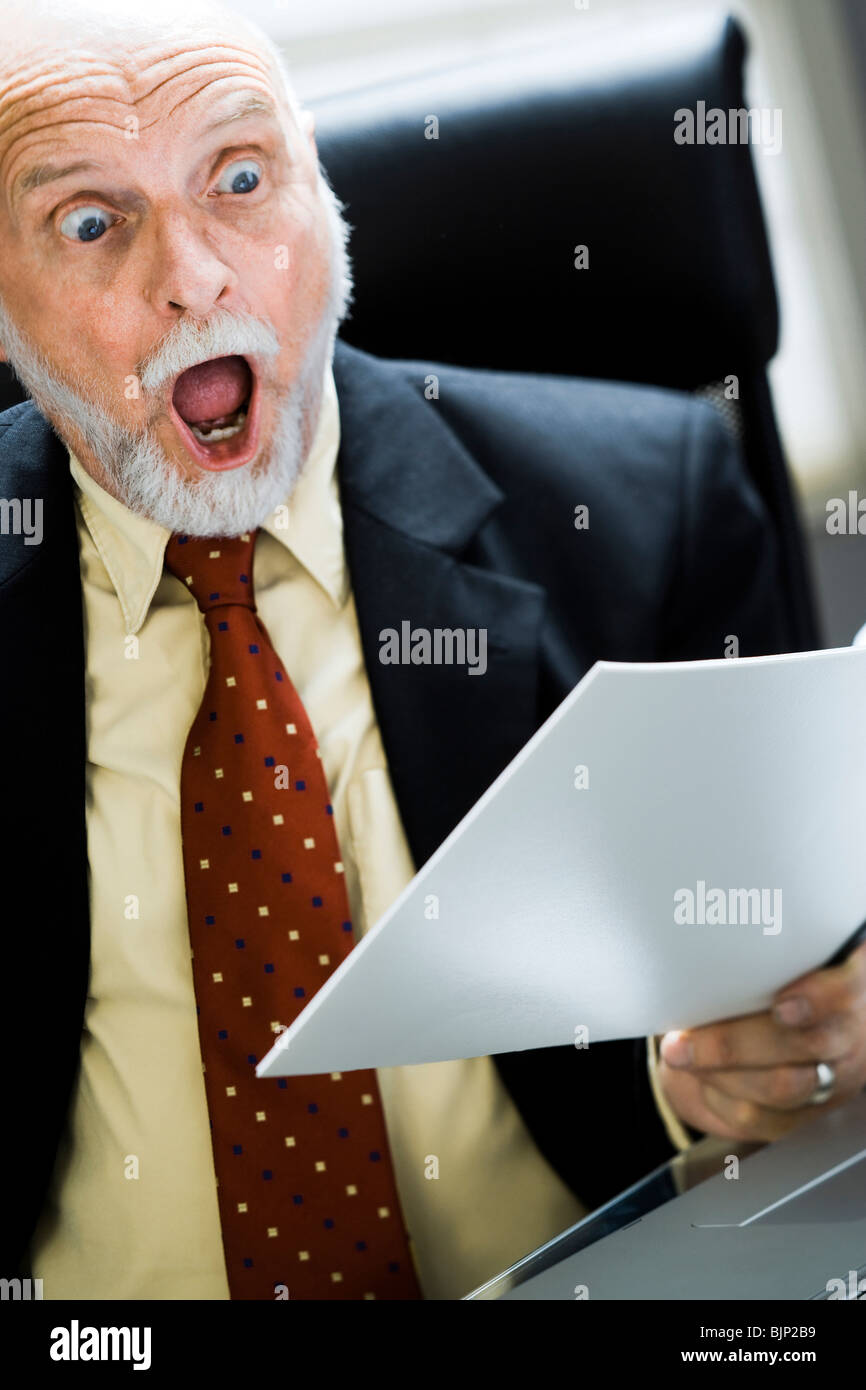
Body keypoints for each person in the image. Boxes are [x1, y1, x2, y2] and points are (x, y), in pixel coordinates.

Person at [1, 0, 864, 1301]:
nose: (195, 276)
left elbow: (786, 982)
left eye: (241, 180)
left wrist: (771, 1061)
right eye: (89, 223)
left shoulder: (646, 513)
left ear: (326, 202)